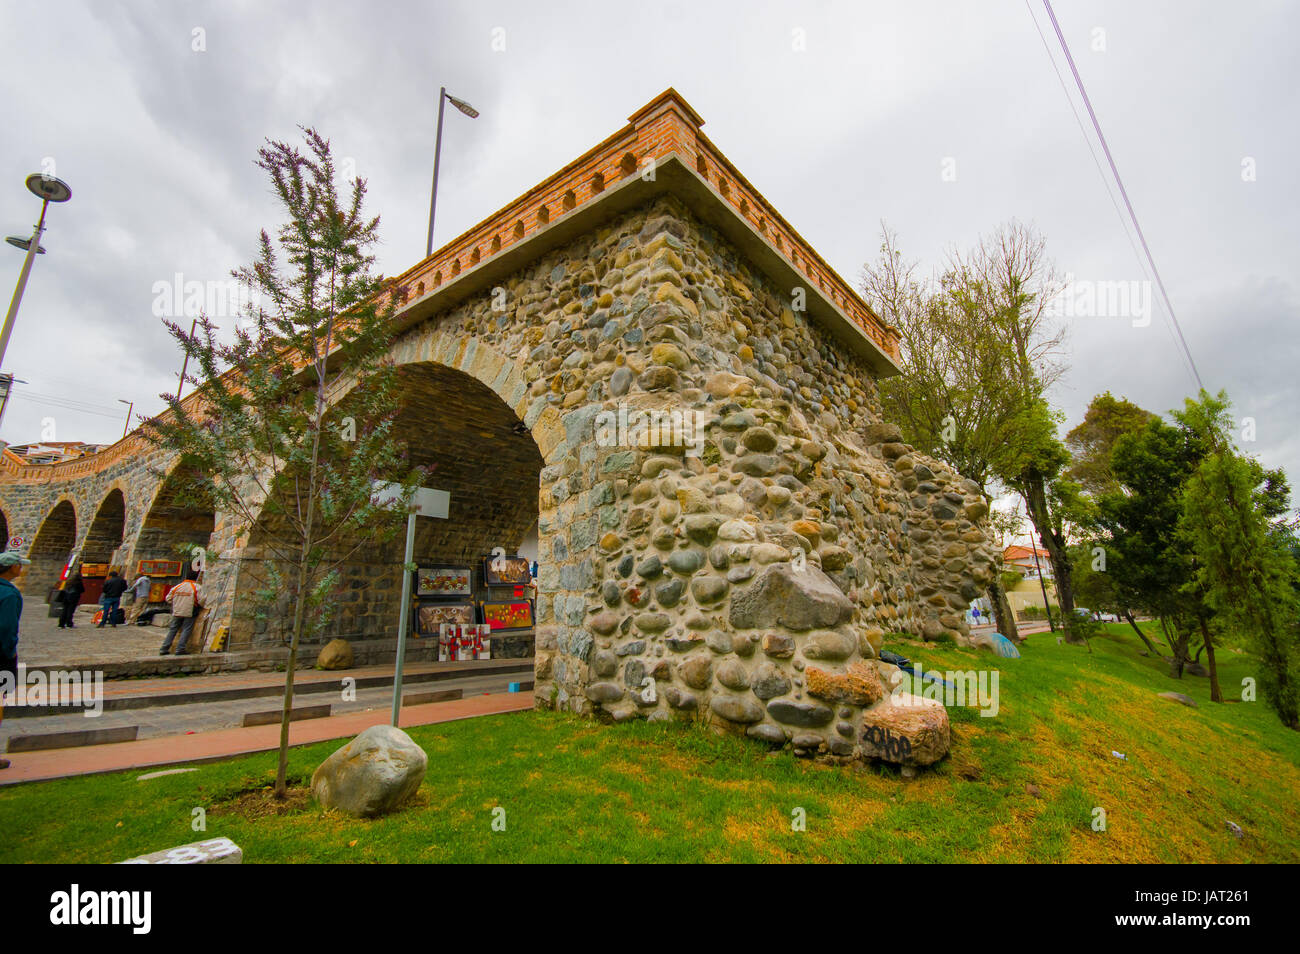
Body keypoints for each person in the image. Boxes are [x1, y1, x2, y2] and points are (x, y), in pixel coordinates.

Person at [0, 551, 32, 770]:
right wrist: (9, 651)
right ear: (12, 567)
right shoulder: (9, 594)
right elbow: (6, 628)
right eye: (19, 565)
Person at [159, 571, 203, 656]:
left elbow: (168, 598)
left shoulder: (177, 587)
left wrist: (176, 603)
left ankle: (164, 648)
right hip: (189, 611)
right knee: (186, 629)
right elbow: (202, 599)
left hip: (177, 611)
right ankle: (180, 649)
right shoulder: (196, 587)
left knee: (173, 629)